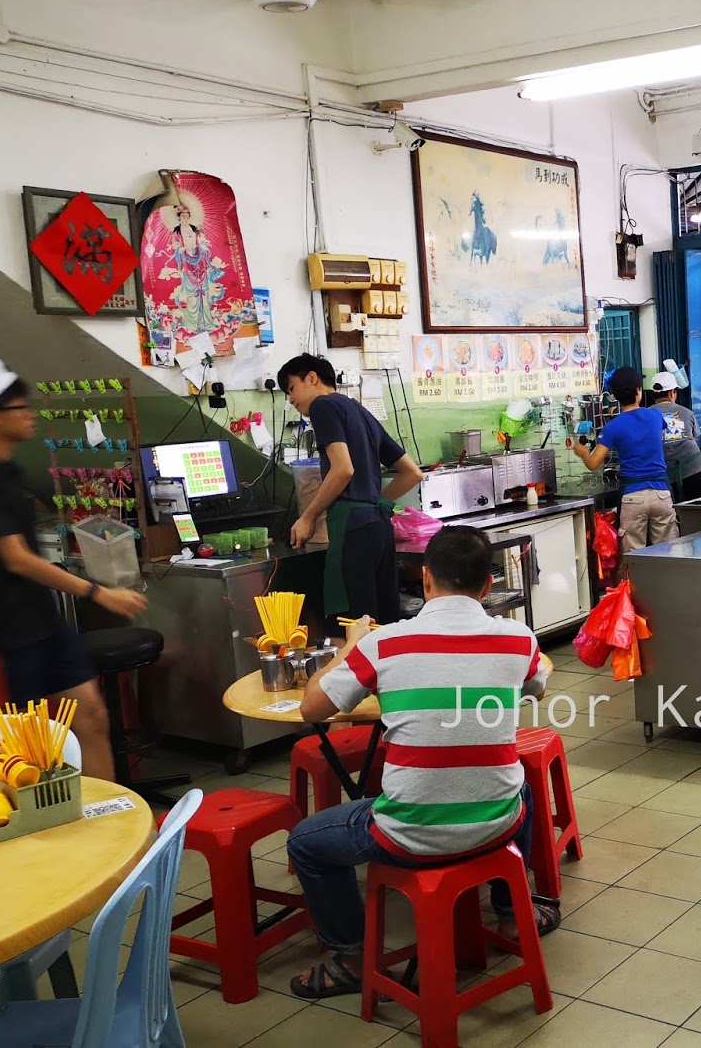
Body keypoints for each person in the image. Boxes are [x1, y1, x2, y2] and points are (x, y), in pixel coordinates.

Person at [286, 526, 558, 999]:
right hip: (498, 825)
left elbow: (312, 708)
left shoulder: (384, 644)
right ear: (488, 585)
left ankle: (351, 956)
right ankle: (515, 914)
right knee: (521, 788)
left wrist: (351, 647)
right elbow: (538, 684)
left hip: (408, 837)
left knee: (304, 842)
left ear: (426, 578)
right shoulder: (518, 638)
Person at [0, 360, 149, 782]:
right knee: (8, 744)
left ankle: (106, 822)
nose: (29, 413)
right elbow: (15, 557)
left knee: (89, 717)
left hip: (43, 623)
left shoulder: (6, 470)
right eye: (19, 406)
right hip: (5, 634)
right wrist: (97, 592)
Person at [278, 354, 424, 622]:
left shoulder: (323, 407)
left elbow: (343, 469)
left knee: (353, 624)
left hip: (352, 531)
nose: (291, 399)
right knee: (382, 622)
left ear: (312, 378)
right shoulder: (360, 411)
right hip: (379, 527)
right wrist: (373, 501)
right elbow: (412, 473)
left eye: (291, 389)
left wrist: (307, 517)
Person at [573, 366, 678, 552]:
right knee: (667, 554)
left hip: (632, 498)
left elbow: (593, 464)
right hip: (661, 494)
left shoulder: (612, 427)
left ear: (615, 396)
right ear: (639, 391)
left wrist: (581, 451)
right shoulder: (655, 416)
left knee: (634, 558)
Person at [648, 371, 701, 500]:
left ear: (653, 395)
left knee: (671, 515)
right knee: (695, 512)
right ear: (672, 393)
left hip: (662, 476)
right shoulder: (687, 412)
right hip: (694, 470)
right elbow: (694, 438)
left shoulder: (645, 416)